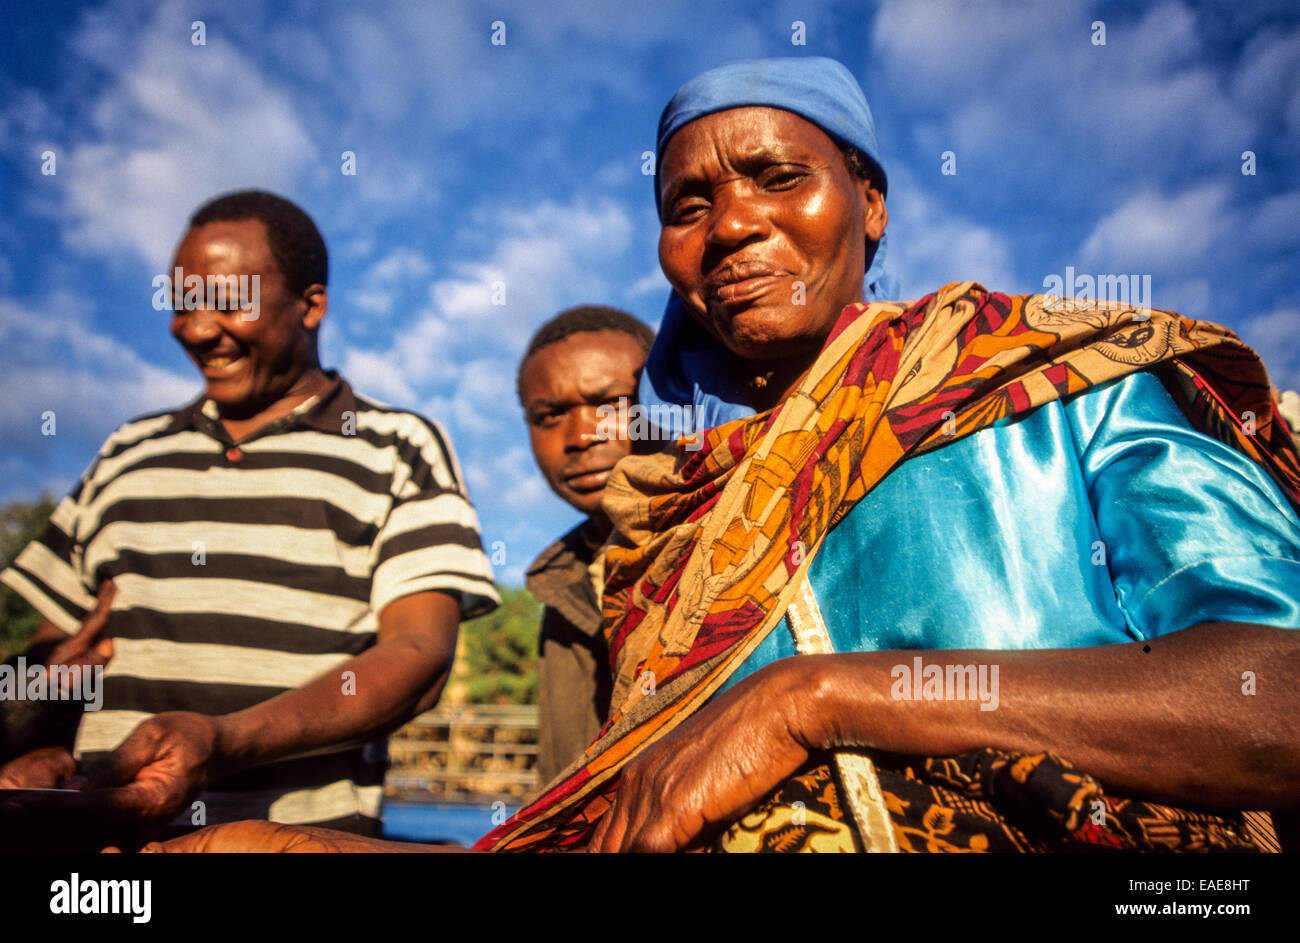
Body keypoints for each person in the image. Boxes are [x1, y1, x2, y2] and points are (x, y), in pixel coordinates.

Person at [130, 58, 1300, 854]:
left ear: (871, 203)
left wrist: (821, 697)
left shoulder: (1048, 385)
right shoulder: (671, 526)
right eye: (686, 202)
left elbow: (1274, 698)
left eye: (778, 176)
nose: (731, 222)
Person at [0, 190, 498, 844]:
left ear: (311, 305)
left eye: (228, 300)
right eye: (181, 301)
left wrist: (225, 740)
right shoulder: (126, 450)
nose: (197, 328)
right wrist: (30, 740)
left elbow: (418, 654)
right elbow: (59, 652)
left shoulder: (398, 446)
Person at [515, 306, 654, 783]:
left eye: (610, 403)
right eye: (549, 415)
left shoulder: (732, 537)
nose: (579, 436)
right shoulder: (560, 583)